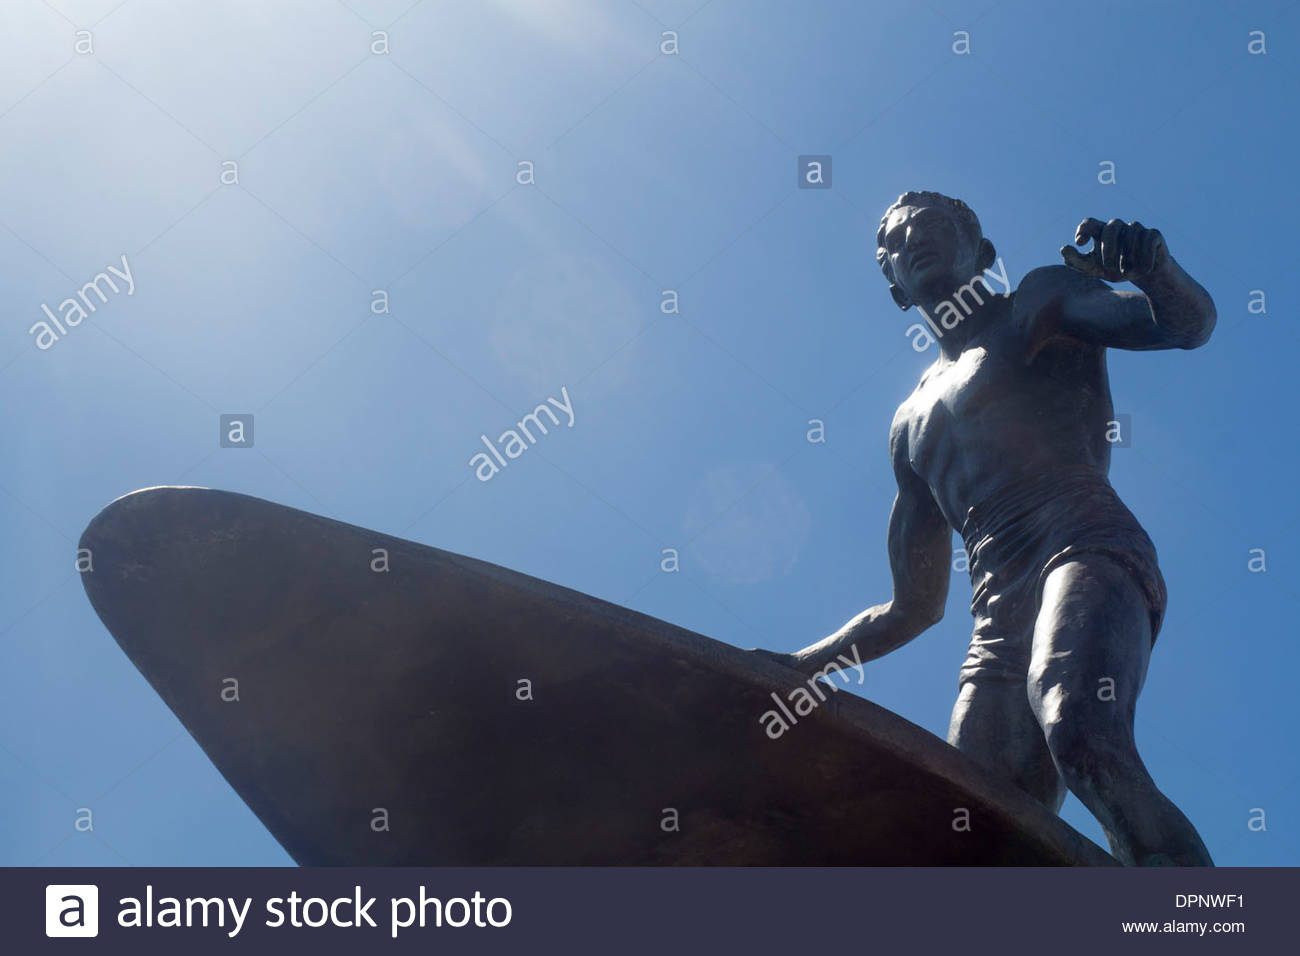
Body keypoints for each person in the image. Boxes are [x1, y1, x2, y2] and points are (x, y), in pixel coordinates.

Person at [755, 191, 1216, 866]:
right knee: (967, 827)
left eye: (937, 224)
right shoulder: (910, 425)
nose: (918, 237)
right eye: (900, 237)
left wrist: (1155, 270)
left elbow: (1184, 326)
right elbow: (912, 607)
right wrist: (800, 667)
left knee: (1077, 723)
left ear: (984, 254)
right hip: (996, 620)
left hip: (1082, 546)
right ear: (894, 288)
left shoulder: (1037, 304)